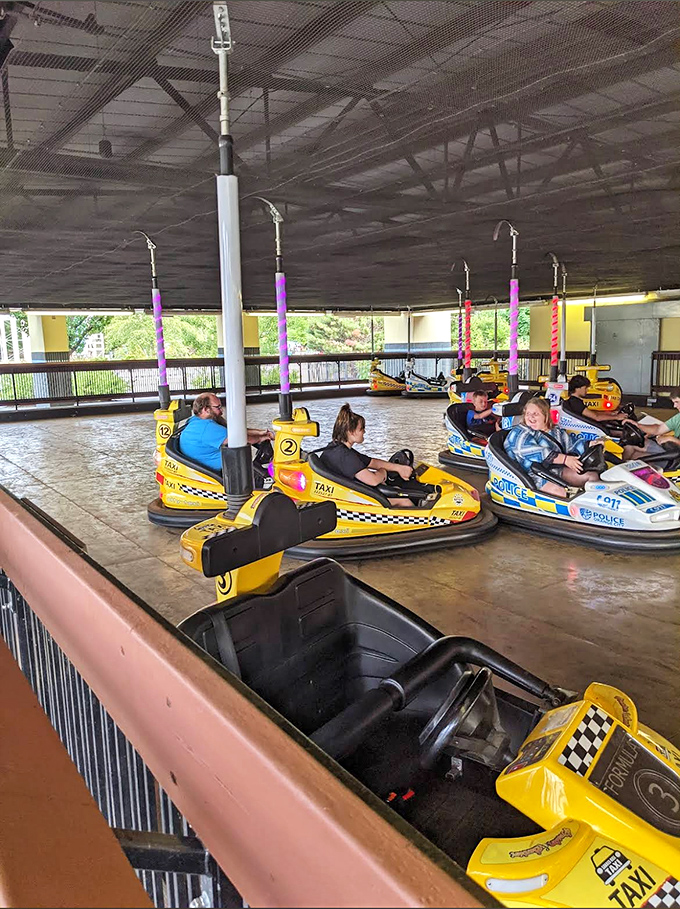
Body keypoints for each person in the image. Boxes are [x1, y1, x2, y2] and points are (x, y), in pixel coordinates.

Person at [504, 397, 602, 498]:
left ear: (545, 416)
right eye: (528, 414)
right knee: (562, 493)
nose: (531, 417)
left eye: (535, 414)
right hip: (533, 475)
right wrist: (565, 459)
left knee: (592, 477)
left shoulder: (555, 431)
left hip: (555, 470)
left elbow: (570, 444)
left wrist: (589, 444)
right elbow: (535, 452)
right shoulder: (519, 433)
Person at [320, 403, 415, 506]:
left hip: (345, 493)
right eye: (361, 429)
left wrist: (399, 468)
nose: (364, 432)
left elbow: (373, 462)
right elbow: (373, 480)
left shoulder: (335, 447)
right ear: (351, 432)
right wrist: (383, 473)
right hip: (349, 500)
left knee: (395, 489)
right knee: (404, 500)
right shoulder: (345, 456)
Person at [179, 392, 274, 472]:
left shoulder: (197, 420)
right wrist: (261, 438)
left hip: (206, 464)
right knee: (243, 453)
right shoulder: (207, 428)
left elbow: (234, 431)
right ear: (206, 409)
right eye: (218, 407)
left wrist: (260, 432)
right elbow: (238, 439)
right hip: (219, 472)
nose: (221, 411)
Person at [563, 375, 628, 422]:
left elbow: (591, 413)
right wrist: (617, 417)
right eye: (585, 388)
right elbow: (597, 417)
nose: (587, 390)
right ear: (578, 388)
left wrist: (611, 414)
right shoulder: (575, 403)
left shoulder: (575, 401)